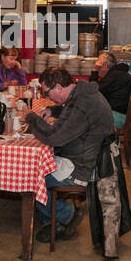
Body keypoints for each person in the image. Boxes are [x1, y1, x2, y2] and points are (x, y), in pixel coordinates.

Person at [23, 67, 116, 239]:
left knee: (28, 178)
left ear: (58, 87)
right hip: (86, 156)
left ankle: (66, 214)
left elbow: (54, 137)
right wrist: (54, 110)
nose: (47, 98)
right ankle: (54, 223)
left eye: (47, 93)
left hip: (82, 167)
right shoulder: (82, 93)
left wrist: (31, 119)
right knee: (34, 169)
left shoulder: (82, 103)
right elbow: (71, 111)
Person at [90, 51, 131, 125]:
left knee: (83, 117)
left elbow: (92, 90)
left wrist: (95, 70)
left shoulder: (113, 75)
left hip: (116, 117)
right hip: (119, 114)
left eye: (99, 67)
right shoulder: (117, 74)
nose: (98, 69)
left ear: (105, 66)